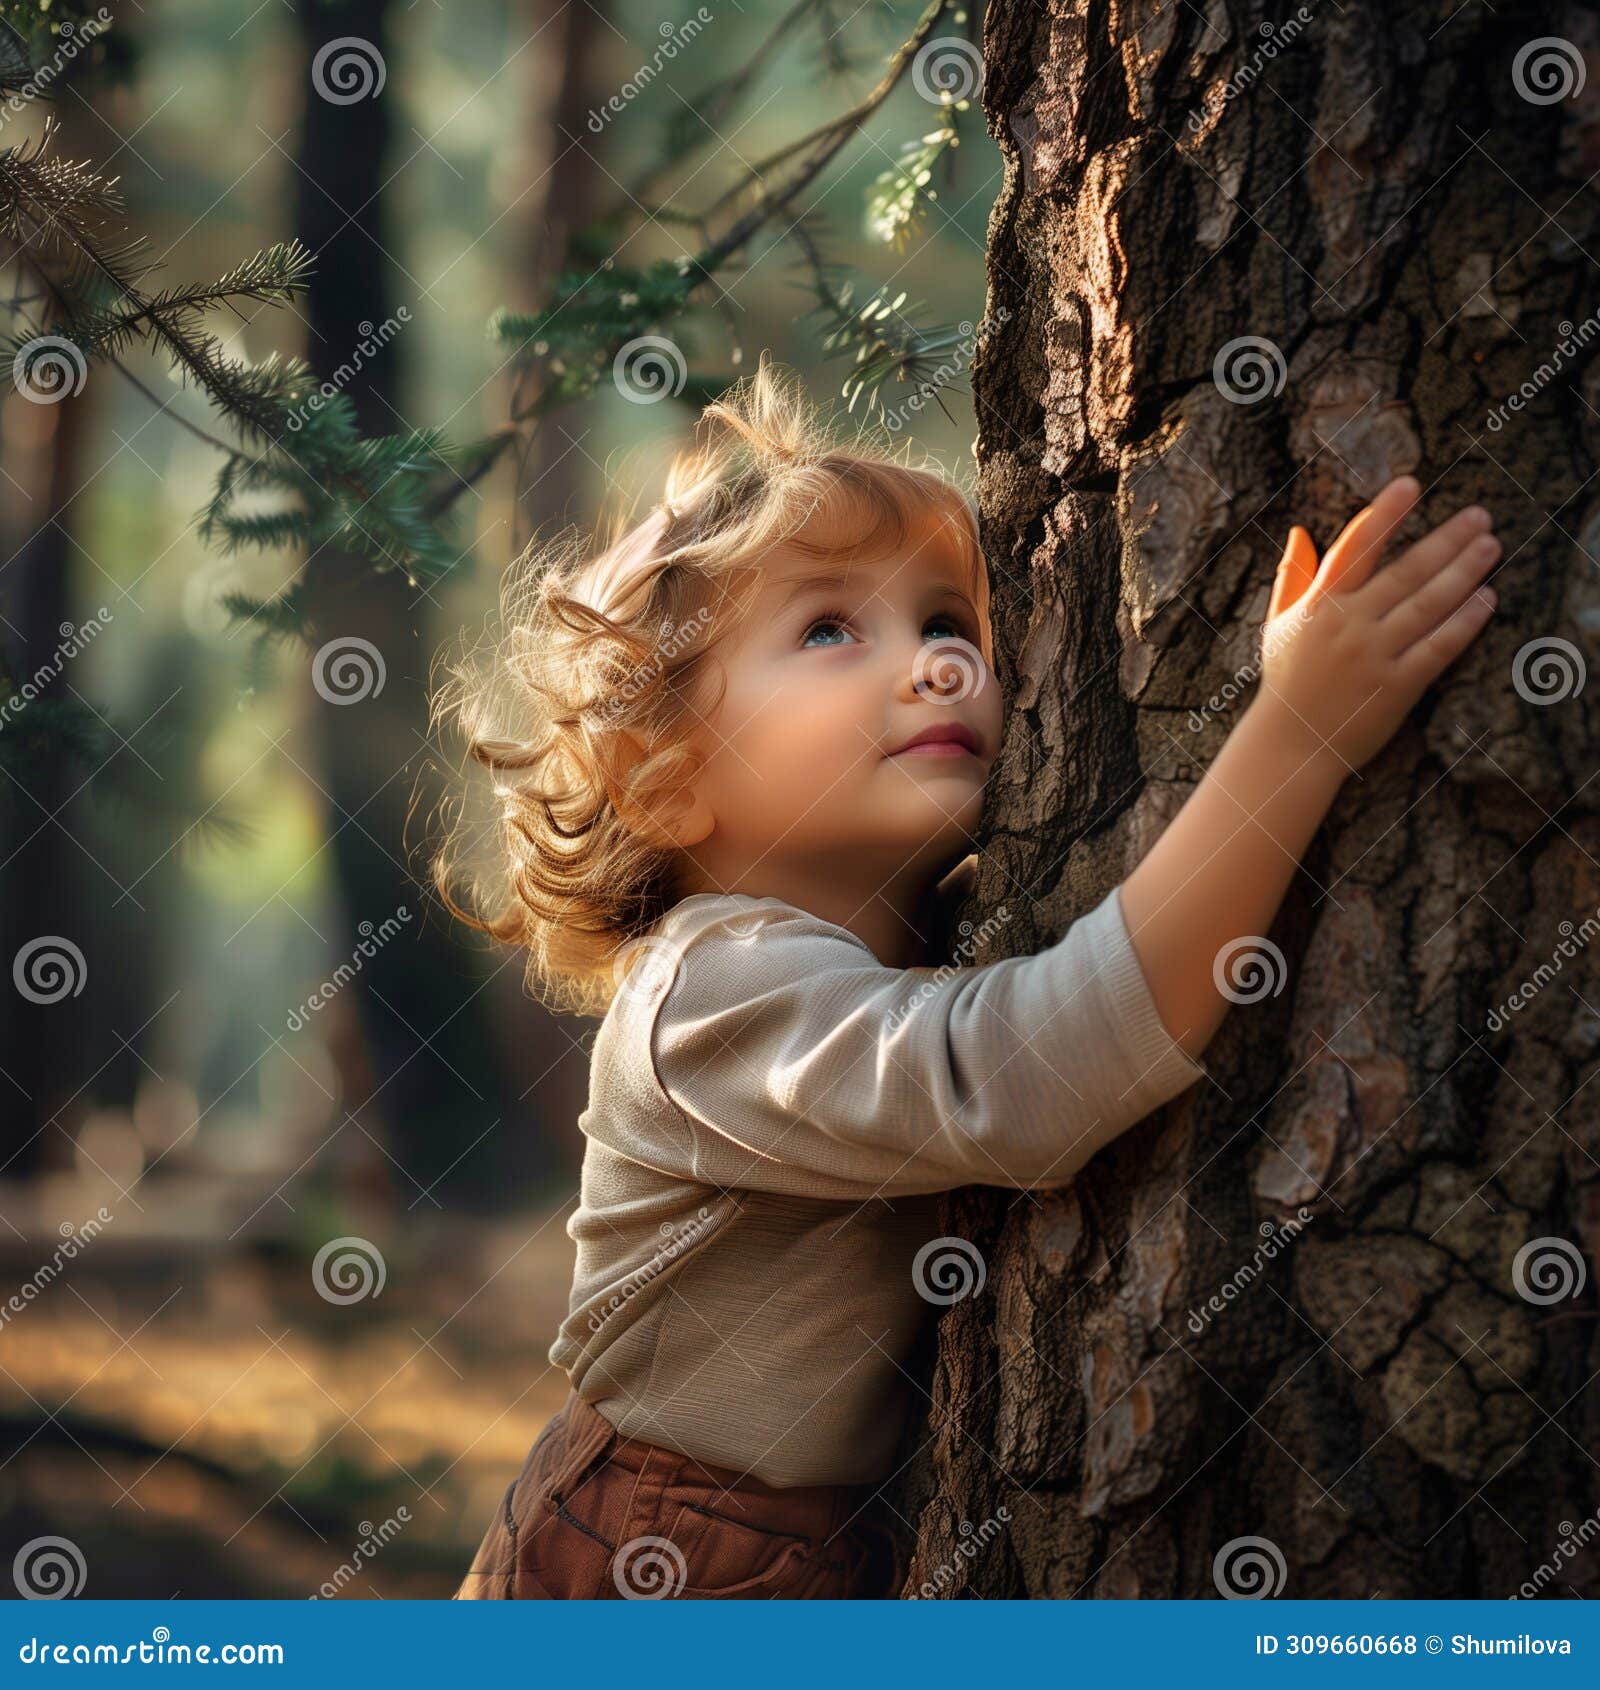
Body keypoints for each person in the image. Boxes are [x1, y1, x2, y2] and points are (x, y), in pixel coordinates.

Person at [434, 353, 1501, 1598]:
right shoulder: (708, 995)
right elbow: (1022, 1077)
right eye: (830, 628)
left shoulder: (923, 927)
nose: (934, 661)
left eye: (946, 621)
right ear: (664, 778)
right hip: (649, 1554)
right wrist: (1296, 732)